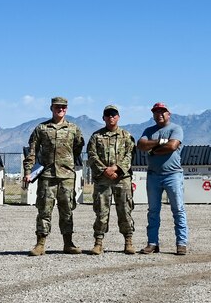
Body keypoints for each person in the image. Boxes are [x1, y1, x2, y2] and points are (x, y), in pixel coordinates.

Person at [21, 96, 85, 256]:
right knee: (44, 210)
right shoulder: (41, 129)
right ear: (51, 108)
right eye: (57, 107)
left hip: (66, 176)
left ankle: (68, 243)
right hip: (47, 176)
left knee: (67, 211)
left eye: (63, 107)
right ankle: (40, 244)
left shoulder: (73, 129)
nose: (60, 109)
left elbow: (77, 148)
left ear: (67, 109)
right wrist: (28, 171)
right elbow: (32, 151)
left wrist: (66, 161)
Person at [136, 102, 189, 255]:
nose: (159, 114)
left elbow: (172, 146)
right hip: (153, 175)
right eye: (156, 112)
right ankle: (152, 243)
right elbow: (141, 145)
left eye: (162, 112)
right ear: (153, 115)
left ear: (168, 114)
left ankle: (181, 243)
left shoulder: (175, 129)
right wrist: (160, 142)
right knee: (153, 211)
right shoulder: (149, 130)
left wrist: (152, 150)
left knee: (178, 209)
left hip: (173, 175)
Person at [87, 104, 136, 255]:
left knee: (125, 210)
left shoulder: (126, 136)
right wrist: (105, 170)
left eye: (114, 114)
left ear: (118, 117)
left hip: (122, 179)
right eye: (108, 115)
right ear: (103, 118)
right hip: (103, 180)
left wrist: (116, 169)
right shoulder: (96, 137)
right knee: (101, 211)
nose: (111, 117)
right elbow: (92, 155)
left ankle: (128, 241)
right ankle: (98, 242)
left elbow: (130, 155)